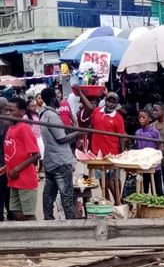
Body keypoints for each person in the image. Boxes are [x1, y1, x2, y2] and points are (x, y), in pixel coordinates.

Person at [39, 87, 81, 220]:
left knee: (49, 194)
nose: (60, 99)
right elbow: (61, 138)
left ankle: (48, 220)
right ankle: (71, 224)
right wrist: (78, 133)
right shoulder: (52, 115)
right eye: (57, 97)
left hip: (51, 161)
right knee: (67, 194)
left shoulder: (43, 114)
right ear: (52, 99)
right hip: (61, 161)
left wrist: (70, 130)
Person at [79, 89, 126, 203]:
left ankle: (118, 201)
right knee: (102, 179)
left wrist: (123, 153)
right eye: (109, 101)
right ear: (105, 101)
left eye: (114, 102)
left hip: (112, 153)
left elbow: (121, 137)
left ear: (116, 104)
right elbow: (91, 125)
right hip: (97, 152)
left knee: (114, 179)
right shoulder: (97, 111)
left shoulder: (118, 118)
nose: (111, 104)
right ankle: (107, 201)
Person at [1, 97, 41, 220]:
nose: (8, 113)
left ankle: (35, 237)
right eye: (6, 110)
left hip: (25, 181)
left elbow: (36, 155)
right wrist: (5, 167)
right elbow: (14, 154)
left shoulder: (23, 128)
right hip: (14, 179)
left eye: (11, 110)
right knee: (16, 212)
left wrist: (17, 169)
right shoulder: (11, 128)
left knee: (28, 215)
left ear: (22, 112)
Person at [134, 110, 162, 195]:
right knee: (144, 188)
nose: (141, 119)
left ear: (149, 119)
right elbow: (137, 147)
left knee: (158, 189)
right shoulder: (138, 133)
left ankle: (158, 207)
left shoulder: (154, 132)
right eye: (140, 117)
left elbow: (159, 146)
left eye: (143, 117)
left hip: (154, 165)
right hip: (143, 164)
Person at [0, 98, 9, 220]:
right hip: (5, 158)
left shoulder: (7, 121)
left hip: (5, 159)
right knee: (6, 190)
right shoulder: (8, 122)